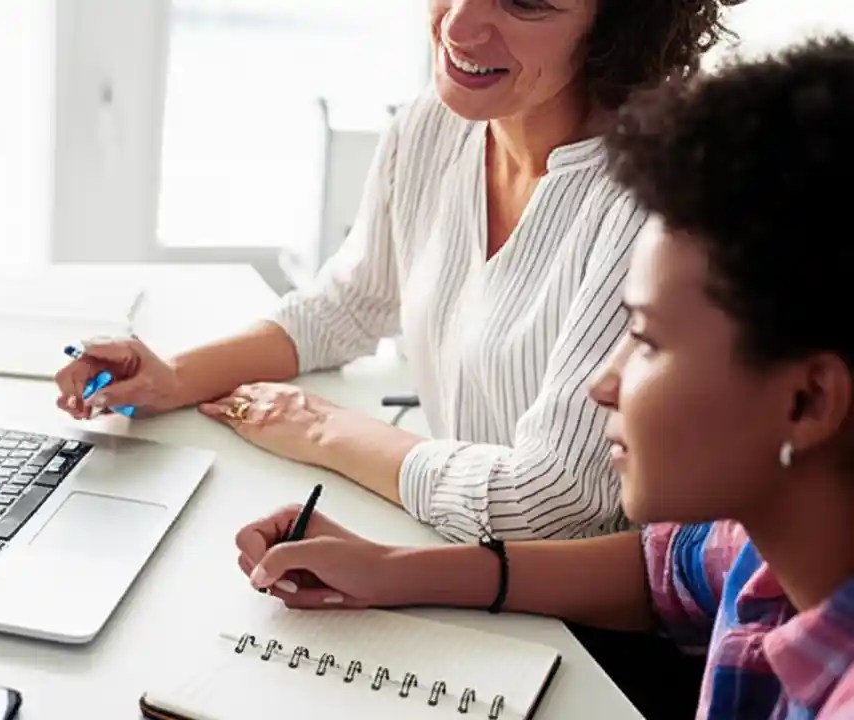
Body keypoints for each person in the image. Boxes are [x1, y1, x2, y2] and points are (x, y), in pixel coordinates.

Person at [233, 36, 854, 718]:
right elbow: (657, 573)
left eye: (646, 342)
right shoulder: (767, 541)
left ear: (808, 400)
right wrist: (390, 568)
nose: (603, 383)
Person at [56, 0, 740, 542]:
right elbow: (346, 305)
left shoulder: (652, 199)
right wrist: (173, 375)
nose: (459, 26)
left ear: (618, 25)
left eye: (525, 2)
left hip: (583, 618)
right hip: (450, 545)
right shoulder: (432, 127)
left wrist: (322, 430)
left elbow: (551, 500)